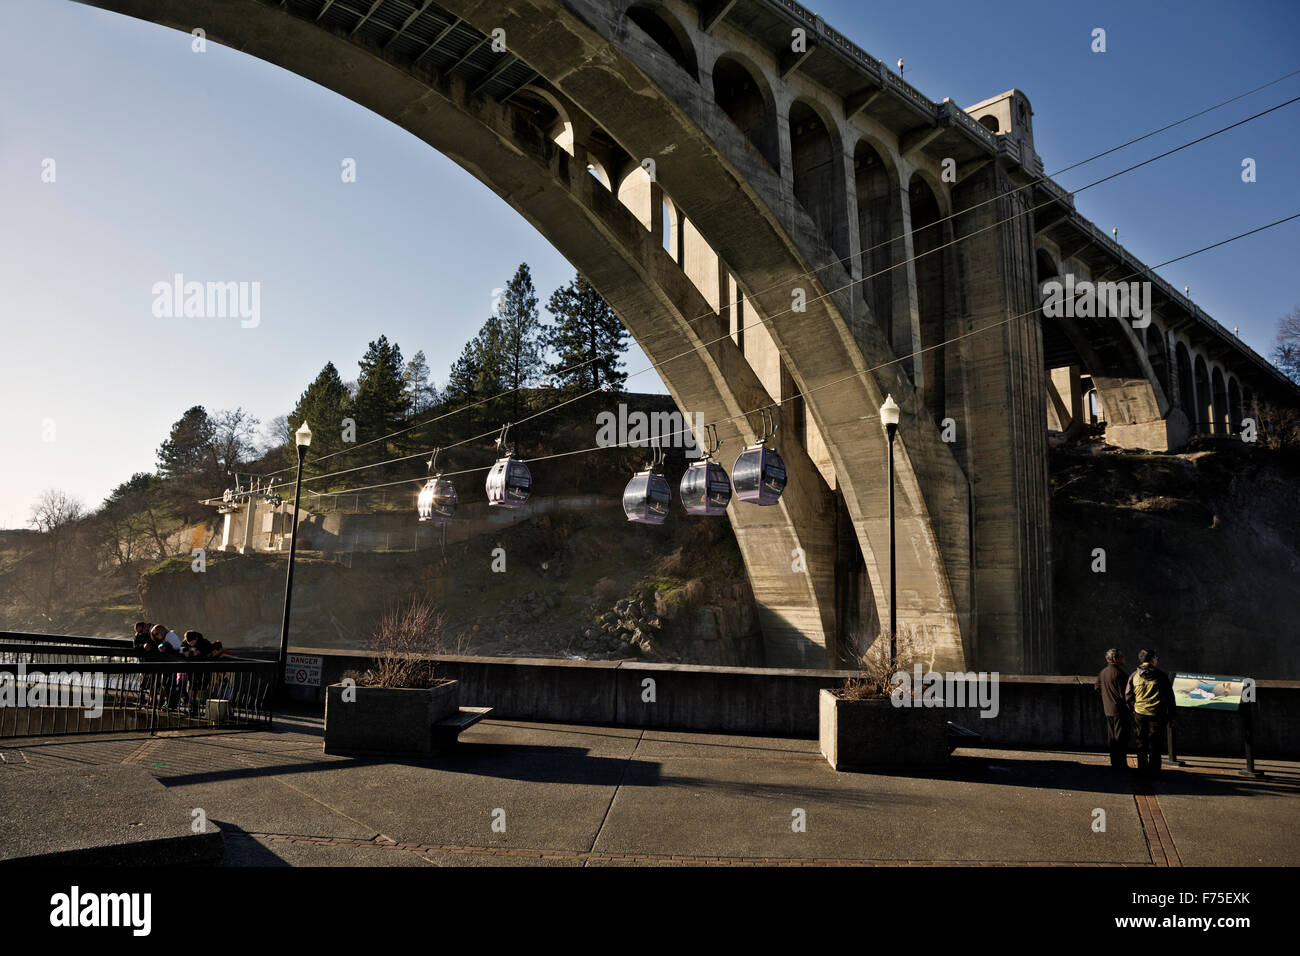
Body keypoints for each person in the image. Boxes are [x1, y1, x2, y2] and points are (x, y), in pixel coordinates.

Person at [1126, 648, 1175, 777]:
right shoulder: (1162, 676)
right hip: (1157, 715)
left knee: (1141, 742)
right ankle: (1154, 772)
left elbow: (1128, 696)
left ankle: (1142, 770)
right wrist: (1172, 716)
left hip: (1140, 714)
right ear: (1152, 659)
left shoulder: (1134, 675)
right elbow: (1170, 697)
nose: (1157, 660)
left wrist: (1135, 708)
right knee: (1155, 744)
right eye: (1156, 657)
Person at [1095, 648, 1130, 770]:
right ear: (1115, 659)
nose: (1124, 658)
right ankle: (1121, 765)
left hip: (1108, 709)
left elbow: (1097, 687)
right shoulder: (1120, 674)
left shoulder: (1103, 672)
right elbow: (1125, 694)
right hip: (1120, 711)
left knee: (1112, 738)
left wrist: (1107, 697)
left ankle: (1114, 762)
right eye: (1121, 656)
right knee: (1121, 738)